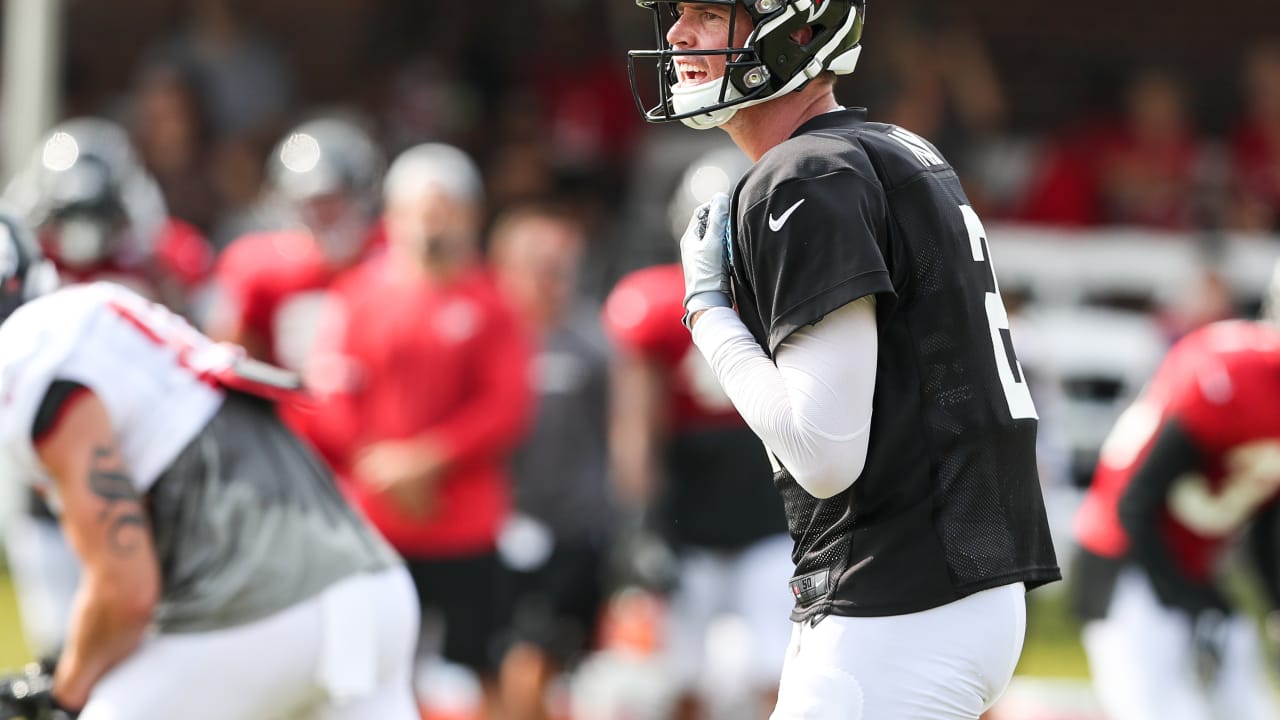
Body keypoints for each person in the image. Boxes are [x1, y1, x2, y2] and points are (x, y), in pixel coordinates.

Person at [626, 2, 1061, 717]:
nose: (677, 35)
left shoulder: (806, 174)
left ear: (801, 31)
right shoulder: (895, 149)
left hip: (891, 607)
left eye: (709, 13)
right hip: (955, 593)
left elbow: (823, 452)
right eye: (679, 13)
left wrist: (706, 308)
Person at [0, 208, 418, 719]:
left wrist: (65, 691)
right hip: (368, 598)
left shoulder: (27, 355)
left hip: (264, 611)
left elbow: (125, 590)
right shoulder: (96, 316)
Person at [294, 142, 533, 715]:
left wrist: (425, 461)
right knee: (362, 674)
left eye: (446, 207)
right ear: (393, 215)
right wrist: (383, 466)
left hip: (465, 524)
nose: (434, 221)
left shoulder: (491, 302)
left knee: (481, 671)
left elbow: (506, 405)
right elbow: (327, 394)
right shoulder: (357, 296)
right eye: (423, 207)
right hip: (376, 525)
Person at [1, 117, 214, 660]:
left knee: (144, 635)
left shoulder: (167, 258)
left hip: (142, 460)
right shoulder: (31, 256)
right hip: (51, 467)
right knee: (60, 639)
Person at [602, 145, 793, 720]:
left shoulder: (786, 296)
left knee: (776, 672)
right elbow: (636, 428)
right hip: (695, 506)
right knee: (677, 677)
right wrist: (639, 522)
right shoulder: (655, 303)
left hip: (770, 505)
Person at [1072, 317, 1280, 720]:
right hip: (1126, 566)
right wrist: (1189, 599)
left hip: (1194, 568)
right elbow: (1134, 503)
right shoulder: (1236, 373)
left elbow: (1268, 516)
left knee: (1250, 707)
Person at [488, 203, 616, 720]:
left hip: (580, 528)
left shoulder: (593, 341)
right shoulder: (487, 339)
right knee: (517, 655)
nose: (554, 278)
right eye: (542, 265)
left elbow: (619, 434)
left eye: (563, 264)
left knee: (584, 665)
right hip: (504, 524)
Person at [206, 115, 384, 373]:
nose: (320, 217)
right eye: (309, 204)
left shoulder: (396, 259)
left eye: (331, 201)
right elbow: (228, 364)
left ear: (362, 195)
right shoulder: (257, 266)